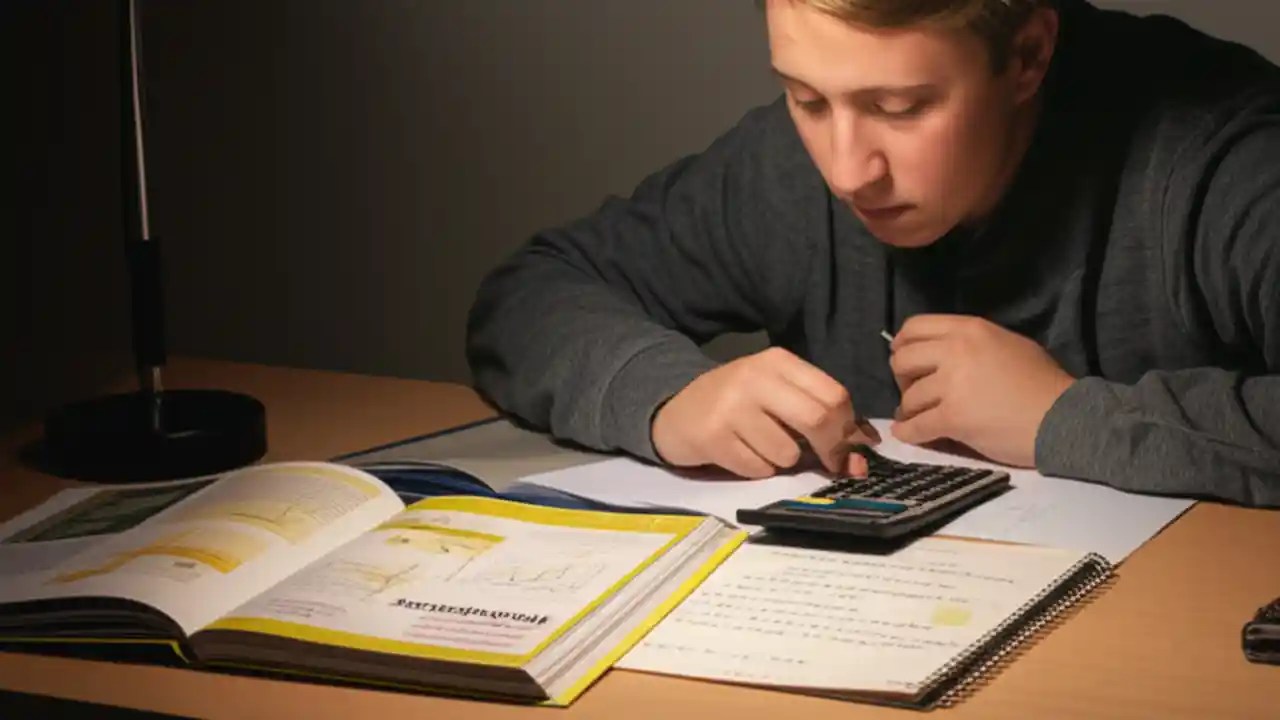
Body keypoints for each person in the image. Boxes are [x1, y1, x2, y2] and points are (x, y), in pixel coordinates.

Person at [465, 0, 1280, 507]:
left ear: (1028, 56)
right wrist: (667, 397)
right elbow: (528, 296)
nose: (847, 171)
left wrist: (1065, 418)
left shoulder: (1224, 160)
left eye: (899, 107)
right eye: (806, 98)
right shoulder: (787, 171)